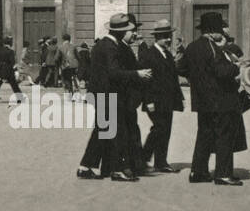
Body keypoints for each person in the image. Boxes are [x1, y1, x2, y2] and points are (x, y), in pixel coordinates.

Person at [76, 13, 149, 181]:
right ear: (120, 32)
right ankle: (117, 170)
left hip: (101, 95)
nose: (132, 33)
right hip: (108, 95)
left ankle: (85, 167)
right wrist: (137, 74)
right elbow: (113, 72)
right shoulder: (110, 47)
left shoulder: (104, 44)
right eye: (129, 30)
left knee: (102, 131)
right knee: (117, 132)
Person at [181, 12, 247, 186]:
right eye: (220, 29)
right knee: (224, 136)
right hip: (221, 100)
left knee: (204, 135)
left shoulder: (191, 47)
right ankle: (223, 174)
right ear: (211, 31)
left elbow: (181, 68)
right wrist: (235, 67)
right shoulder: (213, 48)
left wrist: (197, 80)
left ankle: (198, 172)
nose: (223, 33)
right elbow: (221, 72)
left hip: (202, 101)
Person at [138, 20, 184, 173]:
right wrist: (148, 101)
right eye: (165, 37)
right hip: (155, 101)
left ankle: (161, 162)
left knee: (165, 130)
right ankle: (143, 159)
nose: (168, 39)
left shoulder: (168, 55)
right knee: (159, 128)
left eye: (169, 36)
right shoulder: (148, 54)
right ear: (157, 38)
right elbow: (146, 81)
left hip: (167, 101)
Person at [0, 36, 23, 103]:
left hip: (1, 69)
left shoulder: (0, 51)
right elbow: (12, 62)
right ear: (10, 43)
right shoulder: (11, 51)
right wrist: (15, 70)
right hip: (9, 69)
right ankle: (20, 98)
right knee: (14, 85)